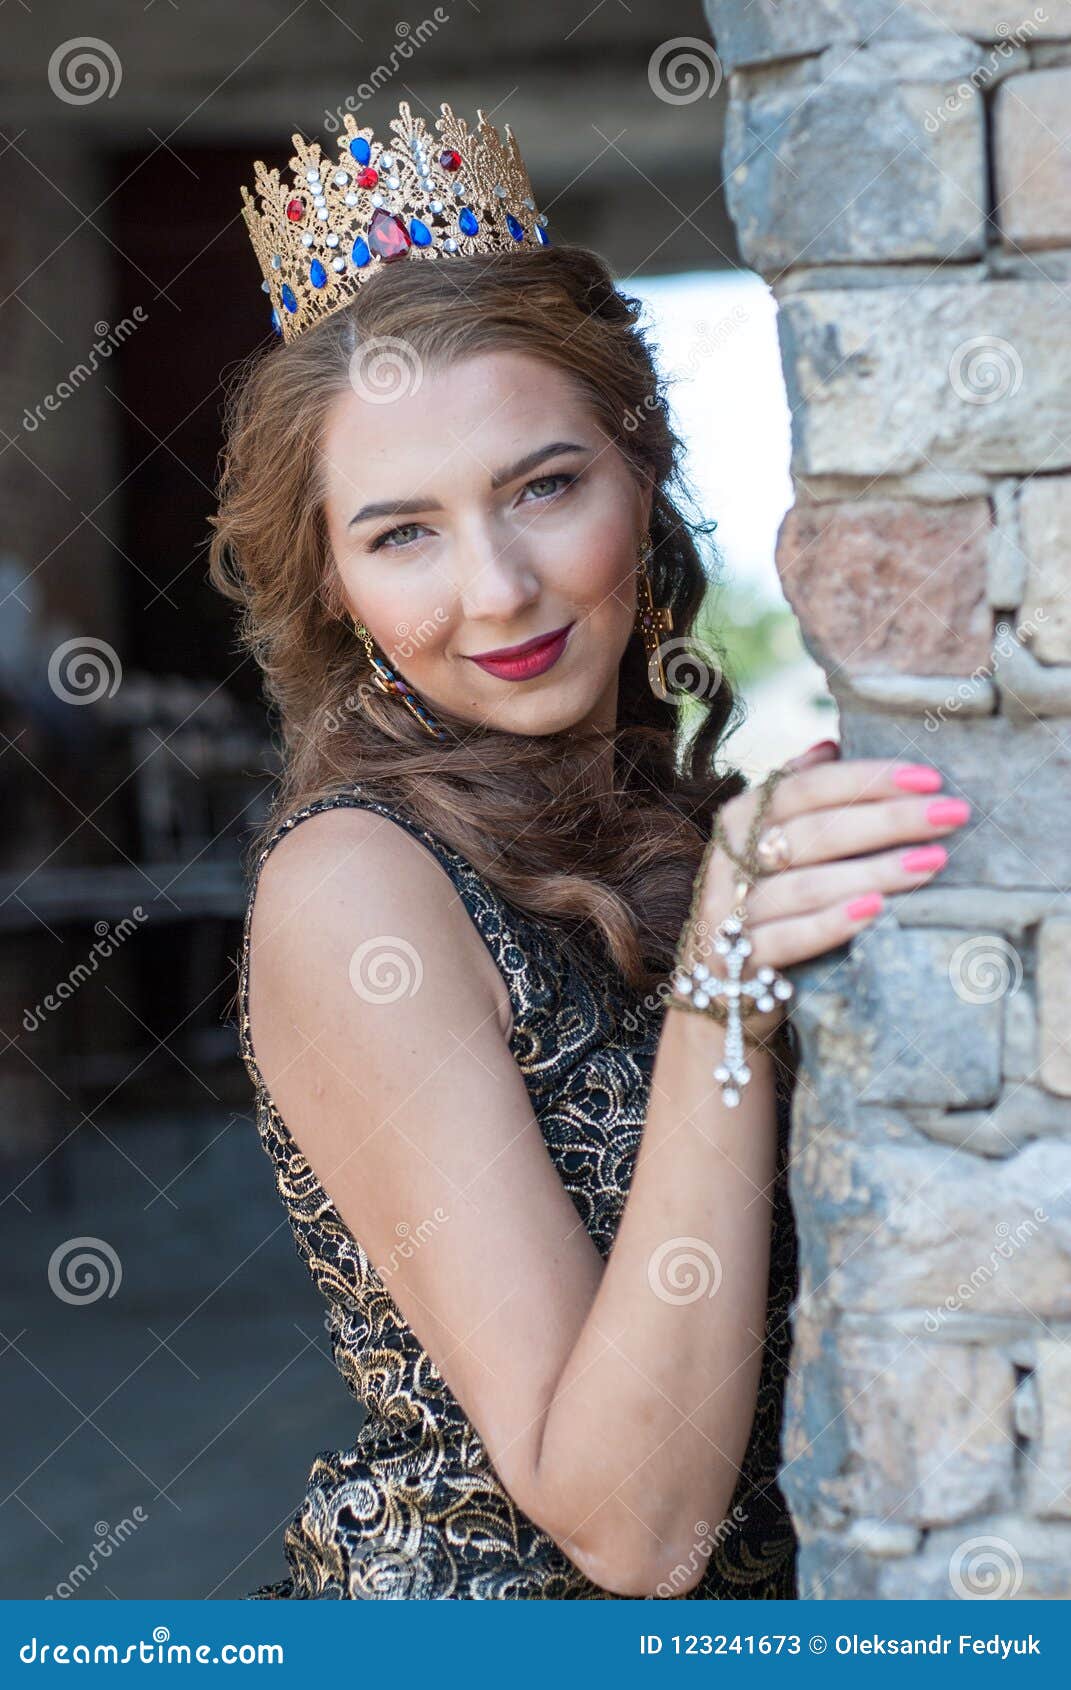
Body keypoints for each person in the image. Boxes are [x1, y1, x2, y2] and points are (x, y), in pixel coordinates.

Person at [209, 100, 970, 1601]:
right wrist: (728, 980)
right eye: (402, 532)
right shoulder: (356, 885)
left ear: (639, 471)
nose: (496, 589)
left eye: (543, 485)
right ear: (339, 583)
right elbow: (635, 1525)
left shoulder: (685, 819)